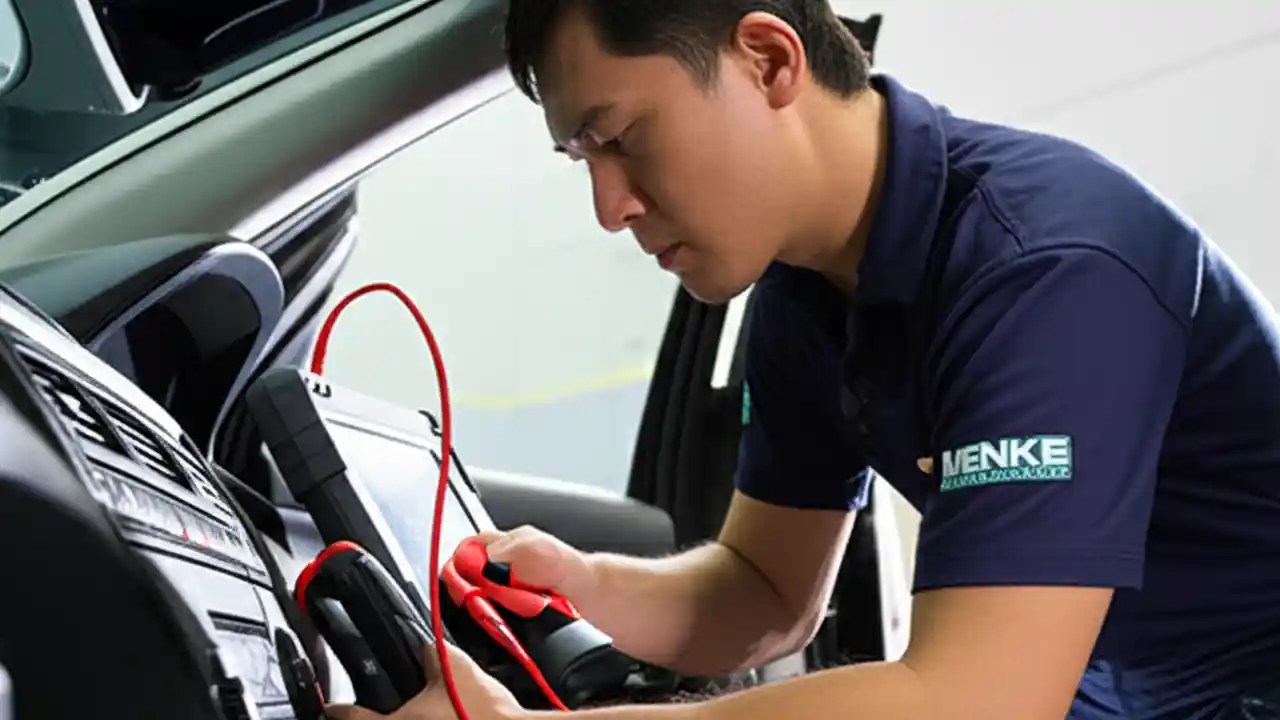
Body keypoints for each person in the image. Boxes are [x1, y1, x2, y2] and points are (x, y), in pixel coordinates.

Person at [328, 1, 1280, 718]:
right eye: (584, 161)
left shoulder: (1048, 269)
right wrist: (586, 585)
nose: (609, 207)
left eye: (620, 139)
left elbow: (976, 703)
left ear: (769, 58)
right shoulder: (804, 292)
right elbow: (766, 589)